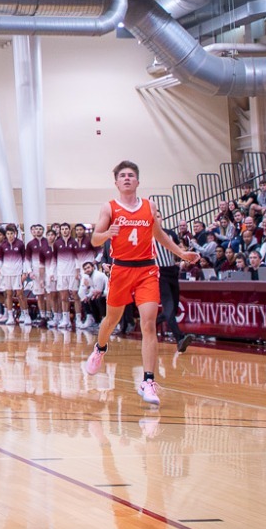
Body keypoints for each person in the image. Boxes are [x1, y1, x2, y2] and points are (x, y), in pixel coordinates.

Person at [84, 162, 198, 407]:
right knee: (111, 319)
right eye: (122, 176)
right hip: (121, 269)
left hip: (147, 269)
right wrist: (107, 234)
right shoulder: (110, 207)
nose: (127, 178)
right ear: (116, 182)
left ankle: (148, 381)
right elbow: (94, 239)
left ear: (137, 181)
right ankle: (100, 348)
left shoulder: (149, 206)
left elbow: (159, 235)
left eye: (131, 175)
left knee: (148, 323)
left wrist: (181, 253)